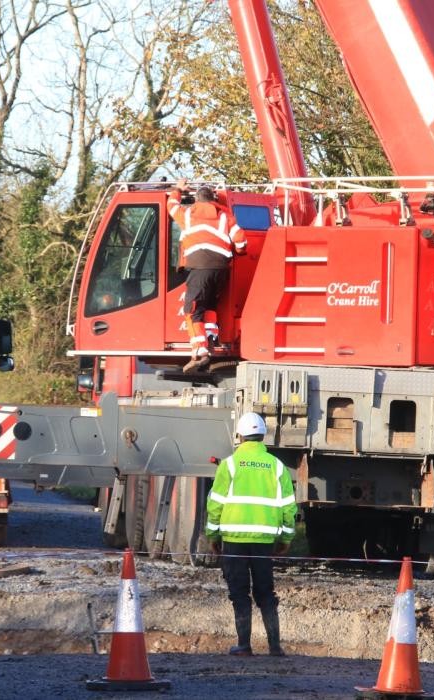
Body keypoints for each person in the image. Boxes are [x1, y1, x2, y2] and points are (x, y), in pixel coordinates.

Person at [205, 411, 297, 656]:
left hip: (234, 540)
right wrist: (286, 538)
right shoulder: (277, 466)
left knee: (239, 592)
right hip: (264, 542)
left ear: (240, 436)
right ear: (263, 436)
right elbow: (289, 507)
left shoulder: (230, 464)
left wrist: (213, 536)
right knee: (266, 592)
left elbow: (215, 504)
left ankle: (244, 645)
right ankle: (275, 647)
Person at [167, 179, 246, 373]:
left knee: (192, 309)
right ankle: (210, 339)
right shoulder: (225, 215)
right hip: (221, 270)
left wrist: (178, 189)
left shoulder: (188, 214)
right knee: (209, 304)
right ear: (213, 200)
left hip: (199, 267)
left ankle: (199, 351)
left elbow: (171, 205)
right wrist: (239, 250)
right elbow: (241, 240)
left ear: (196, 200)